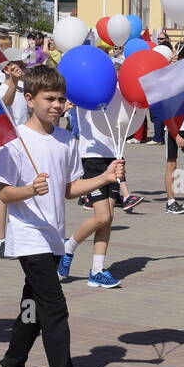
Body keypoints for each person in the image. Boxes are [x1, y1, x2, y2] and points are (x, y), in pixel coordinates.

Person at [0, 65, 122, 367]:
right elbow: (4, 194)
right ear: (29, 99)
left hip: (53, 237)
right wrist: (28, 190)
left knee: (30, 311)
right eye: (49, 99)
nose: (57, 105)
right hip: (28, 236)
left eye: (61, 99)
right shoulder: (14, 139)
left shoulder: (66, 140)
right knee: (54, 307)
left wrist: (104, 177)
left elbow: (68, 189)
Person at [60, 104, 124, 287]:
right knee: (102, 216)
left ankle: (97, 270)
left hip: (115, 153)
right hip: (92, 156)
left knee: (108, 218)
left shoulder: (117, 88)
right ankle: (69, 246)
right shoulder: (91, 82)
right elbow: (68, 101)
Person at [0, 61, 30, 258]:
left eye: (21, 66)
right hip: (4, 147)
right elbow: (6, 102)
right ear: (5, 68)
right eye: (14, 66)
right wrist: (13, 81)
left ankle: (18, 239)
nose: (18, 69)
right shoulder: (0, 86)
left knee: (22, 193)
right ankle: (0, 242)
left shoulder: (25, 86)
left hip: (23, 146)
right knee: (3, 195)